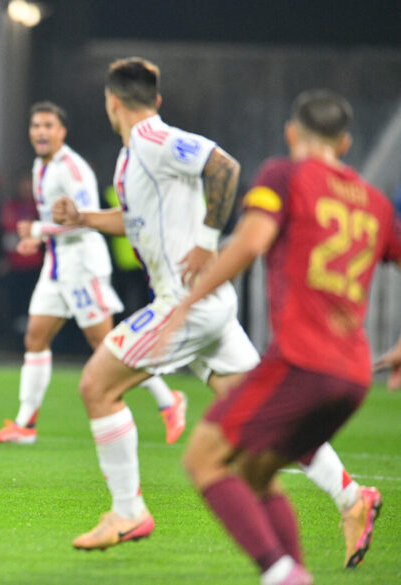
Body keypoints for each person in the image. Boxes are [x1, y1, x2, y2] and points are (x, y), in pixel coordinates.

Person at [55, 58, 382, 560]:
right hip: (211, 310)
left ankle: (127, 511)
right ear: (156, 99)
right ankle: (352, 497)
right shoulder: (132, 158)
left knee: (96, 386)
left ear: (111, 102)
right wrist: (85, 218)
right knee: (274, 422)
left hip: (188, 303)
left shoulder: (152, 140)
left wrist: (208, 242)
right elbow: (136, 219)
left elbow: (222, 165)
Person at [152, 90, 401, 585]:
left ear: (292, 133)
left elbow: (251, 241)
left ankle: (279, 573)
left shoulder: (284, 174)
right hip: (353, 377)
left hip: (302, 363)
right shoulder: (374, 203)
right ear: (345, 142)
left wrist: (186, 300)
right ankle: (294, 574)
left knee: (204, 459)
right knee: (257, 475)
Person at [0, 101, 185, 446]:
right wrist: (40, 239)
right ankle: (24, 424)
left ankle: (169, 401)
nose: (41, 132)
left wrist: (38, 231)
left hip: (82, 266)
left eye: (48, 126)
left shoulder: (73, 170)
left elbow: (84, 221)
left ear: (62, 132)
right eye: (36, 126)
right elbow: (58, 222)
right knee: (35, 338)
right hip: (57, 265)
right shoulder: (40, 165)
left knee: (107, 347)